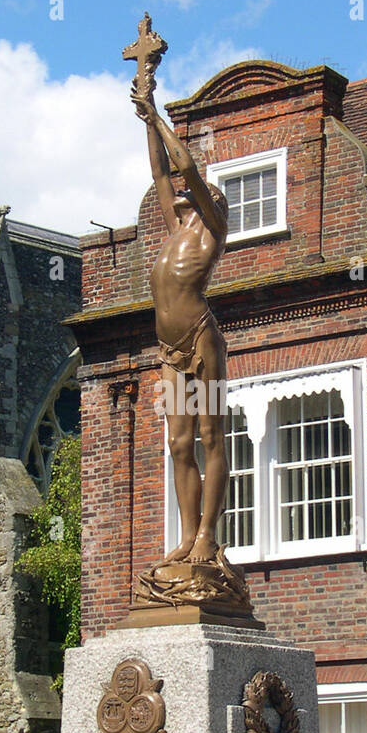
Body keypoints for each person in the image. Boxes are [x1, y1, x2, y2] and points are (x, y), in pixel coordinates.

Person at [131, 82, 230, 567]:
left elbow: (185, 167)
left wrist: (160, 117)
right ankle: (188, 537)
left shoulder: (213, 225)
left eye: (197, 196)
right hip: (168, 350)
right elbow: (161, 170)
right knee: (178, 443)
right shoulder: (175, 229)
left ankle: (209, 535)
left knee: (212, 436)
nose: (186, 198)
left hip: (201, 342)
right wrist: (148, 119)